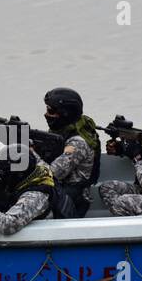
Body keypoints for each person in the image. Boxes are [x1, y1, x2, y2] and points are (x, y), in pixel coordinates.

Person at [41, 87, 100, 216]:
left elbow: (51, 174)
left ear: (65, 113)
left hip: (71, 200)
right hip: (60, 192)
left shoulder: (77, 143)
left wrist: (31, 153)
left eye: (51, 111)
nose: (46, 114)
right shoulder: (61, 133)